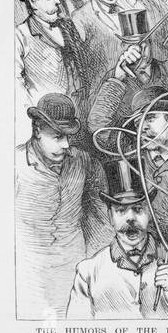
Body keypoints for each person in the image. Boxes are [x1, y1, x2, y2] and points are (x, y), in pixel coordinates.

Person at [65, 160, 168, 319]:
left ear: (149, 211)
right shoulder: (88, 272)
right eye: (121, 211)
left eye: (138, 209)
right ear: (110, 216)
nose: (131, 219)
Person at [15, 94, 108, 319]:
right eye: (58, 137)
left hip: (76, 274)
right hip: (28, 277)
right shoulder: (14, 166)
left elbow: (101, 217)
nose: (66, 145)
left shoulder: (84, 162)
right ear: (37, 130)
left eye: (68, 137)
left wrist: (94, 266)